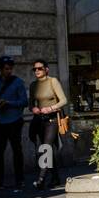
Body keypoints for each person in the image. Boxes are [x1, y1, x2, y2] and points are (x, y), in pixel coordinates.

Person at [0, 55, 28, 189]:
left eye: (10, 68)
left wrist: (8, 103)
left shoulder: (18, 82)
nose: (9, 71)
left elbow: (24, 102)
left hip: (14, 121)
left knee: (17, 150)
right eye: (6, 69)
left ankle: (20, 180)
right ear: (0, 69)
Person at [29, 59, 68, 190]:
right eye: (35, 69)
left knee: (45, 148)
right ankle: (56, 178)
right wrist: (33, 109)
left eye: (39, 68)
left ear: (46, 69)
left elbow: (64, 100)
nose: (37, 71)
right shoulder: (33, 85)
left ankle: (41, 179)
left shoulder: (53, 81)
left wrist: (50, 108)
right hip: (40, 120)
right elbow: (30, 104)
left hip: (52, 120)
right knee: (48, 150)